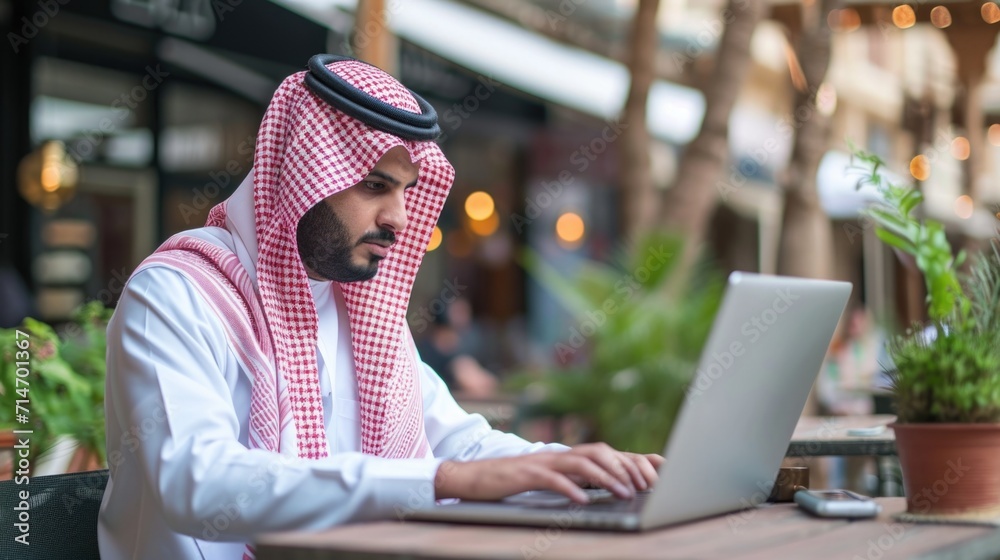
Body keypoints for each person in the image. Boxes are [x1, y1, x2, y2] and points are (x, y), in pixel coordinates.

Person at [98, 55, 661, 560]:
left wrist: (583, 468)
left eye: (405, 192)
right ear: (304, 175)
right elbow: (199, 482)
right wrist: (444, 481)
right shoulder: (176, 294)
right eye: (374, 186)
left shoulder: (360, 310)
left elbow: (458, 443)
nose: (399, 218)